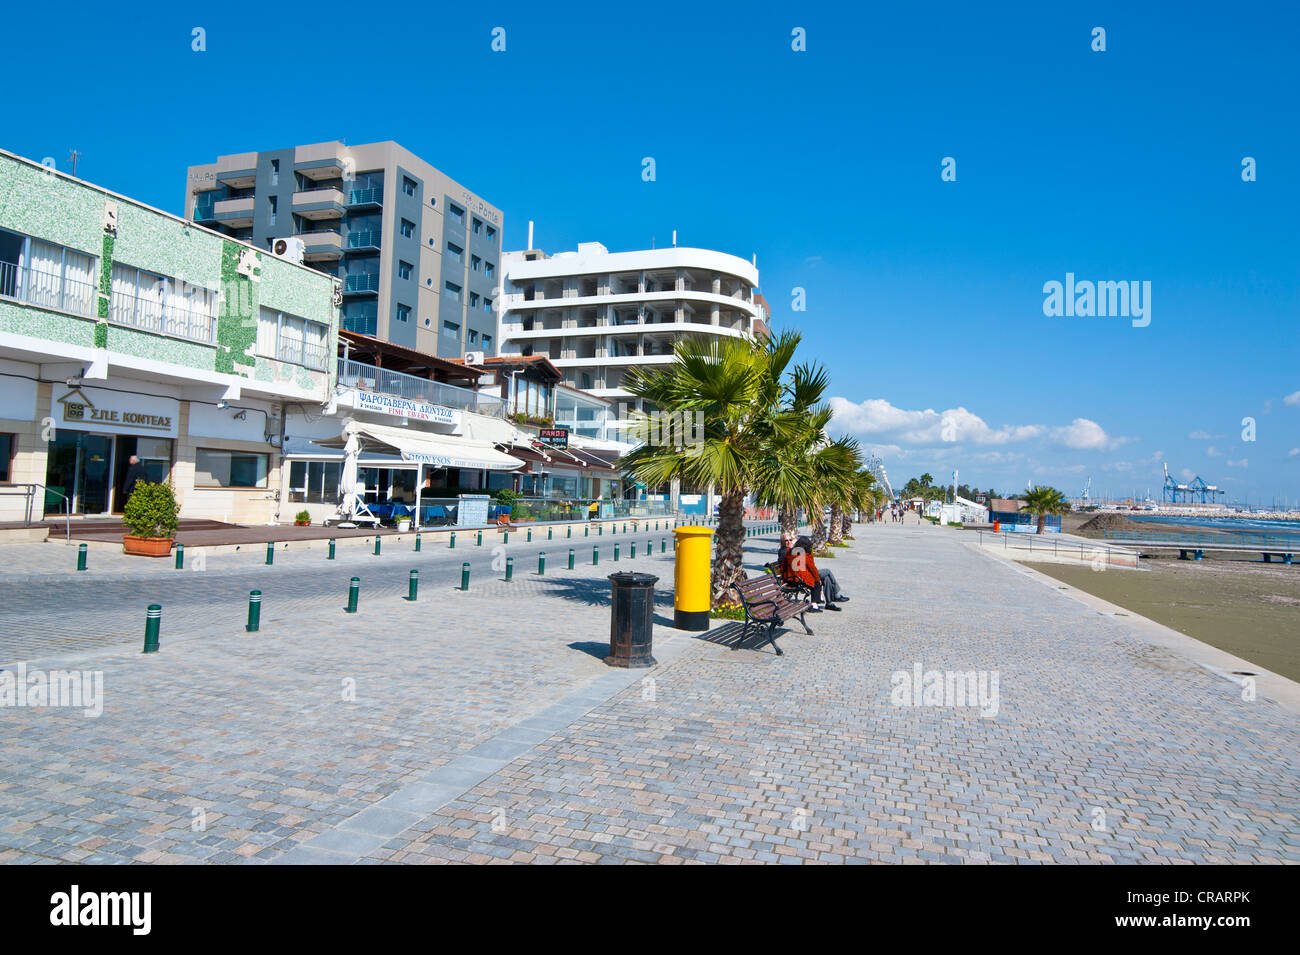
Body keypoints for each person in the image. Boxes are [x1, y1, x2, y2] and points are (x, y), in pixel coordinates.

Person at [780, 536, 846, 611]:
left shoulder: (790, 551)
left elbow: (783, 566)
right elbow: (812, 569)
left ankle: (830, 602)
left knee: (826, 578)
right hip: (803, 577)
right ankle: (834, 596)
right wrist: (818, 579)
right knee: (827, 572)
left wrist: (784, 575)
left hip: (793, 577)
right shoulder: (805, 554)